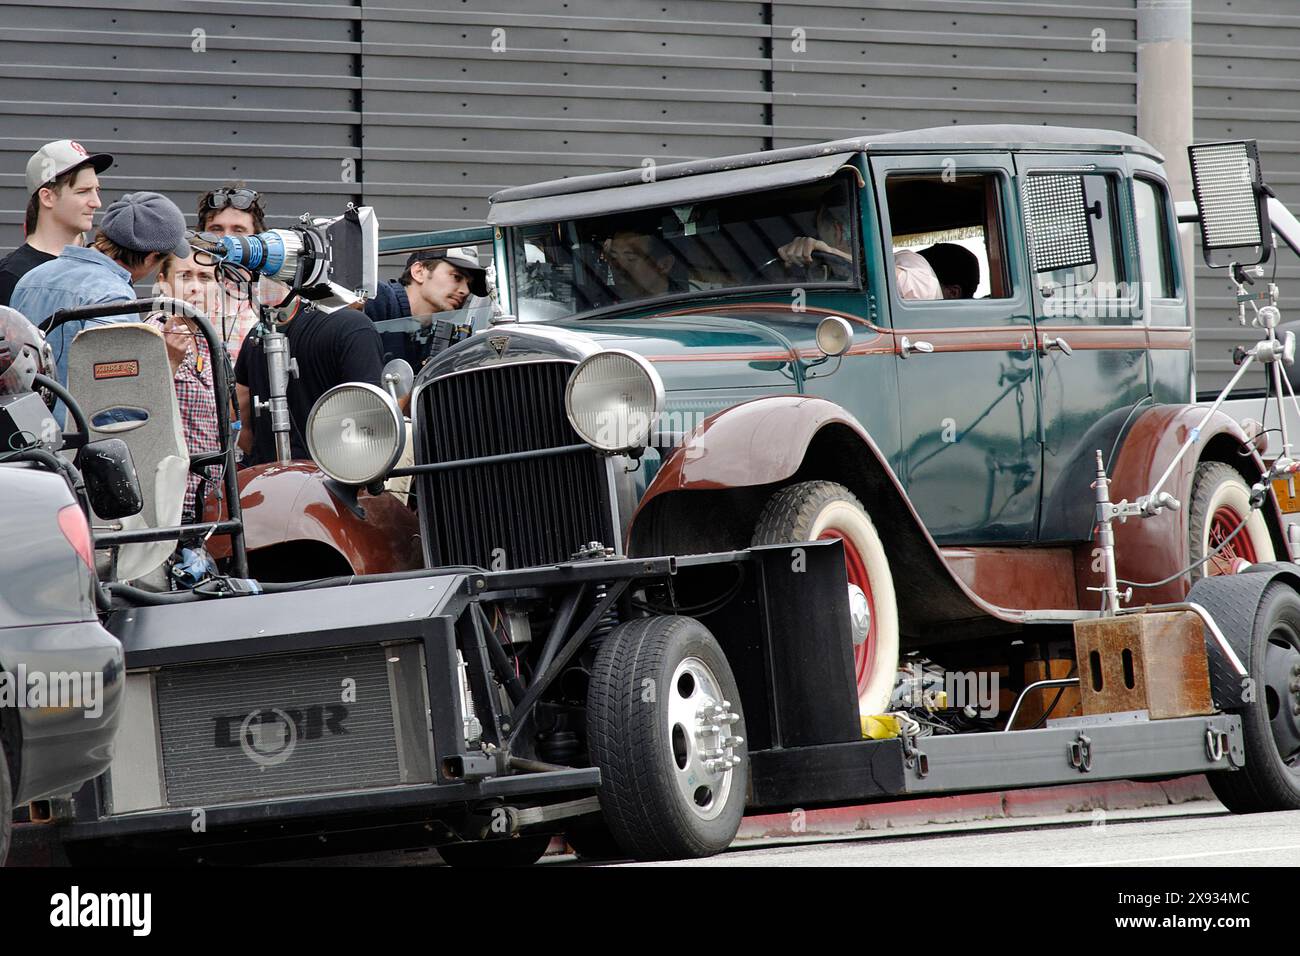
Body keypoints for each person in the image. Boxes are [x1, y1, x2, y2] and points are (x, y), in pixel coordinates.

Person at [10, 191, 190, 423]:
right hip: (76, 451)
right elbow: (115, 402)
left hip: (21, 442)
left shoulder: (29, 279)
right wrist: (168, 362)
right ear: (150, 257)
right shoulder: (114, 296)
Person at [234, 294, 384, 467]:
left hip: (268, 481)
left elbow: (237, 413)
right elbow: (372, 423)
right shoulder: (356, 327)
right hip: (333, 482)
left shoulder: (261, 331)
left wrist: (267, 460)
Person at [149, 253, 224, 519]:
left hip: (209, 503)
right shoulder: (149, 335)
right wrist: (169, 359)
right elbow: (139, 414)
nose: (195, 287)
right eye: (184, 277)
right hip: (169, 506)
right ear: (163, 284)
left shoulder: (208, 340)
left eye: (205, 277)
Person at [0, 140, 113, 306]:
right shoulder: (11, 276)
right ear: (47, 197)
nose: (96, 203)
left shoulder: (102, 267)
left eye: (96, 190)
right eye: (83, 192)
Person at [364, 247, 487, 368]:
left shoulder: (434, 338)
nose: (465, 291)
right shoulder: (375, 298)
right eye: (456, 277)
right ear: (419, 272)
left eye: (469, 284)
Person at [196, 183, 267, 364]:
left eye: (238, 230)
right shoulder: (185, 287)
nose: (226, 239)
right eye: (216, 229)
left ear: (257, 237)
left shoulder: (273, 295)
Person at [604, 230, 683, 300]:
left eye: (630, 258)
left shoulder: (689, 302)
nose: (619, 268)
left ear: (665, 264)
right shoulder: (605, 305)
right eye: (613, 258)